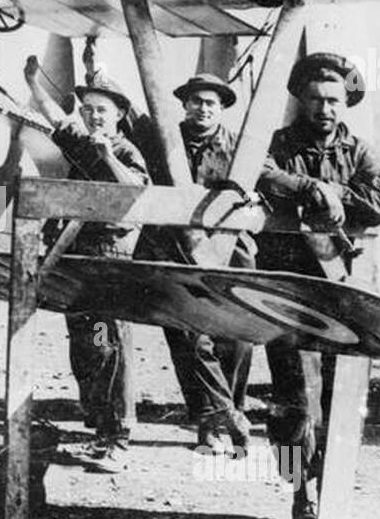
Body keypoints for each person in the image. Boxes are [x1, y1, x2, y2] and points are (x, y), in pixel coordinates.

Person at [255, 51, 380, 519]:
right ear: (301, 99)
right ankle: (299, 492)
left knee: (341, 395)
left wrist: (336, 193)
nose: (325, 109)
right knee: (292, 398)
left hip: (344, 292)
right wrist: (311, 187)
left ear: (345, 102)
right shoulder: (279, 144)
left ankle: (329, 490)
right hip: (288, 289)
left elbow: (377, 206)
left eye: (333, 100)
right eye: (315, 99)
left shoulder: (360, 152)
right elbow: (257, 171)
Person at [24, 57, 150, 472]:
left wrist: (106, 156)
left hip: (110, 258)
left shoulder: (126, 149)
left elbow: (135, 192)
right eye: (90, 109)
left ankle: (118, 436)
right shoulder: (80, 140)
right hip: (75, 253)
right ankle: (99, 428)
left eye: (103, 110)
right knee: (86, 346)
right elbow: (55, 118)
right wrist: (32, 81)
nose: (95, 115)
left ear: (118, 116)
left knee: (108, 343)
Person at [136, 74, 256, 455]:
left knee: (236, 337)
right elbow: (123, 117)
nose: (203, 109)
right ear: (184, 105)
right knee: (188, 337)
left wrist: (255, 194)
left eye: (211, 103)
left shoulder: (238, 147)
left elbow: (265, 177)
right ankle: (210, 421)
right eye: (196, 102)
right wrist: (95, 72)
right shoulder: (162, 139)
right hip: (172, 248)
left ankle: (230, 408)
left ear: (221, 109)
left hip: (228, 247)